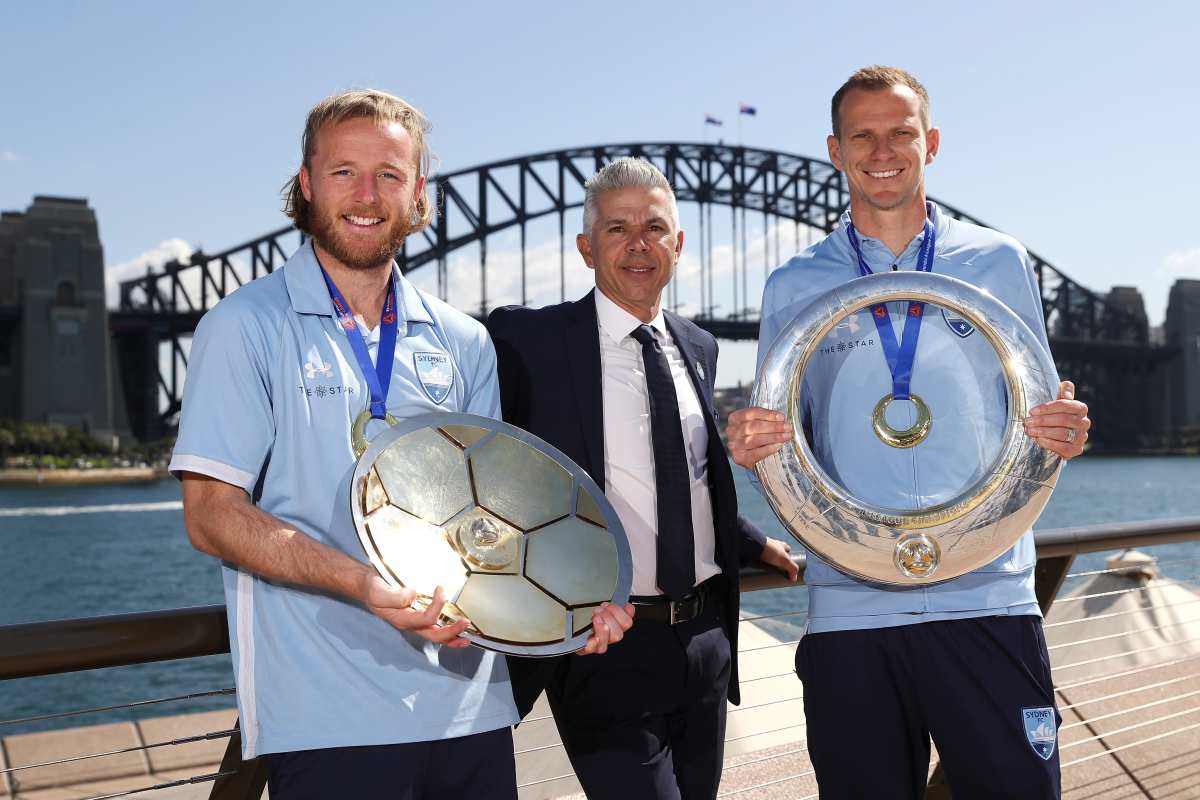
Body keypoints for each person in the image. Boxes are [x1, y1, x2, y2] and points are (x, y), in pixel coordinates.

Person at [170, 89, 629, 800]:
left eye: (389, 174)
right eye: (343, 171)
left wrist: (578, 603)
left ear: (419, 192)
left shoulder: (465, 340)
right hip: (329, 724)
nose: (365, 194)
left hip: (472, 713)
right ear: (305, 184)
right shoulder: (243, 326)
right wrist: (364, 585)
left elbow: (492, 525)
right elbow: (211, 515)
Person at [726, 66, 1091, 800]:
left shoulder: (997, 260)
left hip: (986, 601)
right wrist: (753, 443)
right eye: (862, 135)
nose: (882, 149)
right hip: (850, 612)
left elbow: (1039, 416)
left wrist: (1065, 429)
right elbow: (783, 442)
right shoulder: (792, 285)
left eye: (900, 132)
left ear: (931, 142)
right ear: (835, 149)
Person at [487, 157, 799, 800]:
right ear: (585, 247)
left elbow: (685, 479)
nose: (638, 244)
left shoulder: (699, 347)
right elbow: (491, 479)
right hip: (605, 645)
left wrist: (751, 542)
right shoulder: (527, 341)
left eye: (655, 228)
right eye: (617, 228)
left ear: (679, 246)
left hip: (707, 639)